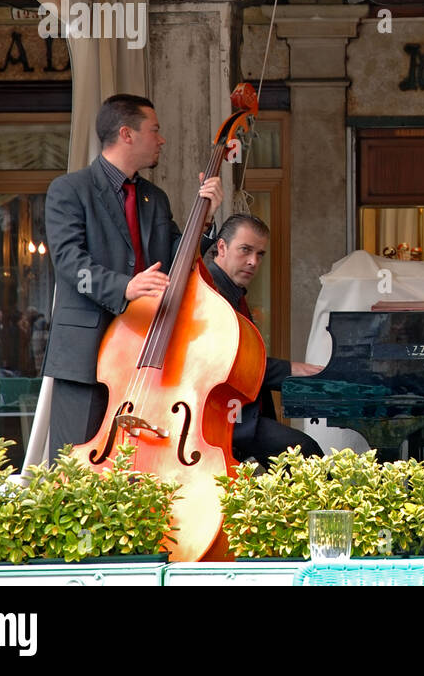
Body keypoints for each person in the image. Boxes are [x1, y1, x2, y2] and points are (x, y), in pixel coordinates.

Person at [43, 94, 222, 458]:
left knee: (140, 463)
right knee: (76, 465)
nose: (162, 139)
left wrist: (204, 219)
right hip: (86, 356)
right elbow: (68, 262)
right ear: (127, 133)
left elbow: (178, 261)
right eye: (154, 130)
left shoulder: (154, 197)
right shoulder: (69, 190)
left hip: (144, 350)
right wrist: (126, 286)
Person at [205, 213, 323, 461]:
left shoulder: (232, 292)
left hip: (240, 413)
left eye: (260, 254)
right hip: (220, 416)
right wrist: (293, 370)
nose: (253, 261)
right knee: (303, 451)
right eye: (245, 250)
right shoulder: (210, 294)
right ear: (222, 247)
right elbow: (230, 361)